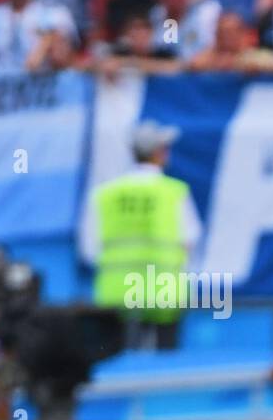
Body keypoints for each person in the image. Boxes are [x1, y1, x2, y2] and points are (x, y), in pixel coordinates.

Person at [79, 121, 202, 351]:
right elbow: (190, 241)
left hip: (117, 294)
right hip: (165, 294)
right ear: (159, 153)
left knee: (121, 367)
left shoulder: (105, 195)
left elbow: (90, 250)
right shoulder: (174, 193)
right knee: (166, 369)